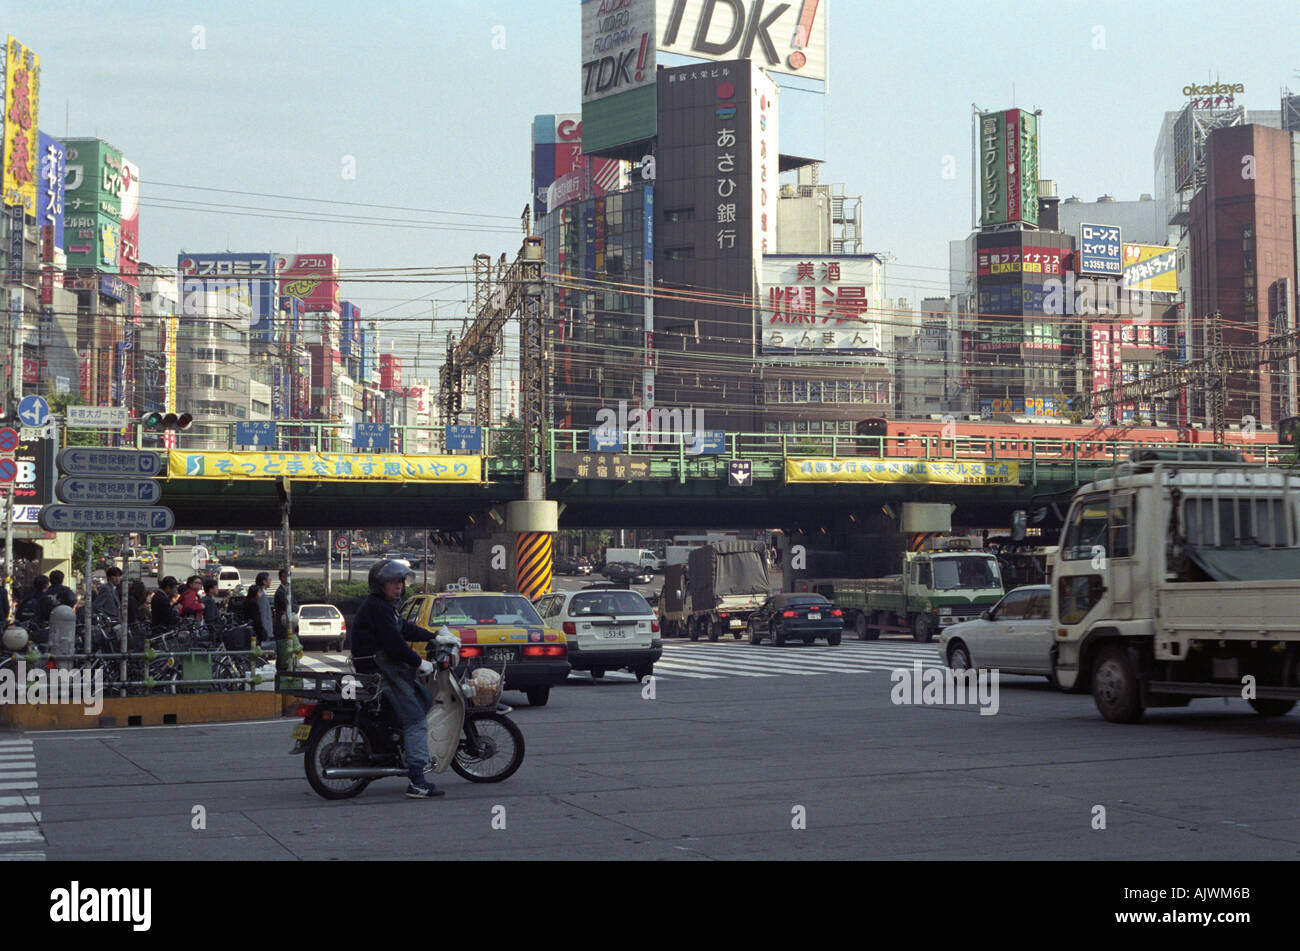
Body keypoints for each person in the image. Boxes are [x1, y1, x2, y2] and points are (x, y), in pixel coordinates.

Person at [350, 559, 442, 799]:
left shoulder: (383, 607)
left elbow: (406, 629)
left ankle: (397, 746)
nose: (399, 587)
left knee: (421, 698)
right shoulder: (378, 608)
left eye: (401, 582)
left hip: (380, 669)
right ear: (380, 585)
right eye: (393, 582)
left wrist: (434, 637)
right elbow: (394, 644)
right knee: (416, 720)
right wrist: (419, 662)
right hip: (381, 671)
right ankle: (418, 782)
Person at [243, 574, 272, 644]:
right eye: (269, 579)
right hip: (263, 631)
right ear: (264, 582)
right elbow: (263, 615)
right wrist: (265, 632)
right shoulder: (261, 596)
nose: (271, 581)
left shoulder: (260, 594)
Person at [273, 568, 293, 641]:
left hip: (289, 624)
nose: (287, 579)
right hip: (282, 624)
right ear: (280, 578)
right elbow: (287, 606)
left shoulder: (289, 590)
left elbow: (295, 606)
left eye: (289, 577)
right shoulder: (280, 592)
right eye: (285, 577)